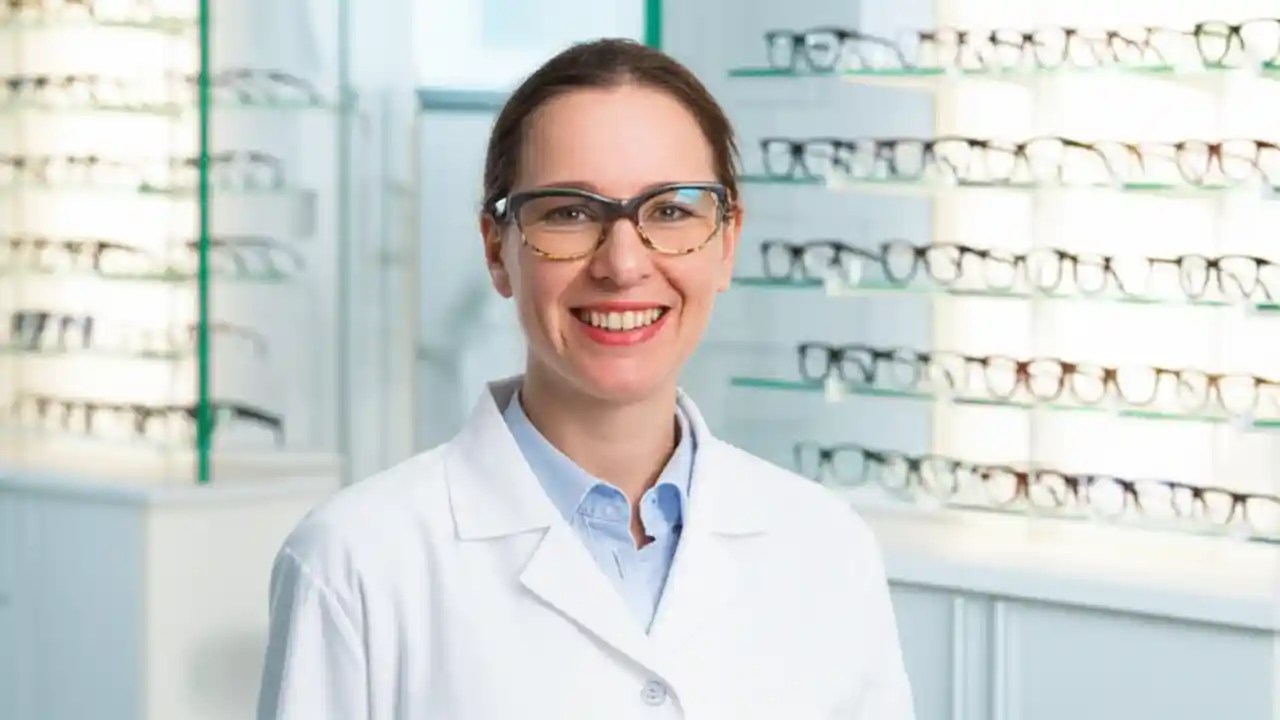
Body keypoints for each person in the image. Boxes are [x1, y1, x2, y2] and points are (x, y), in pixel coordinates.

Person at [256, 38, 915, 720]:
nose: (623, 264)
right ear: (497, 250)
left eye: (670, 210)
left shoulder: (827, 547)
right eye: (570, 213)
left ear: (726, 243)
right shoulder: (354, 561)